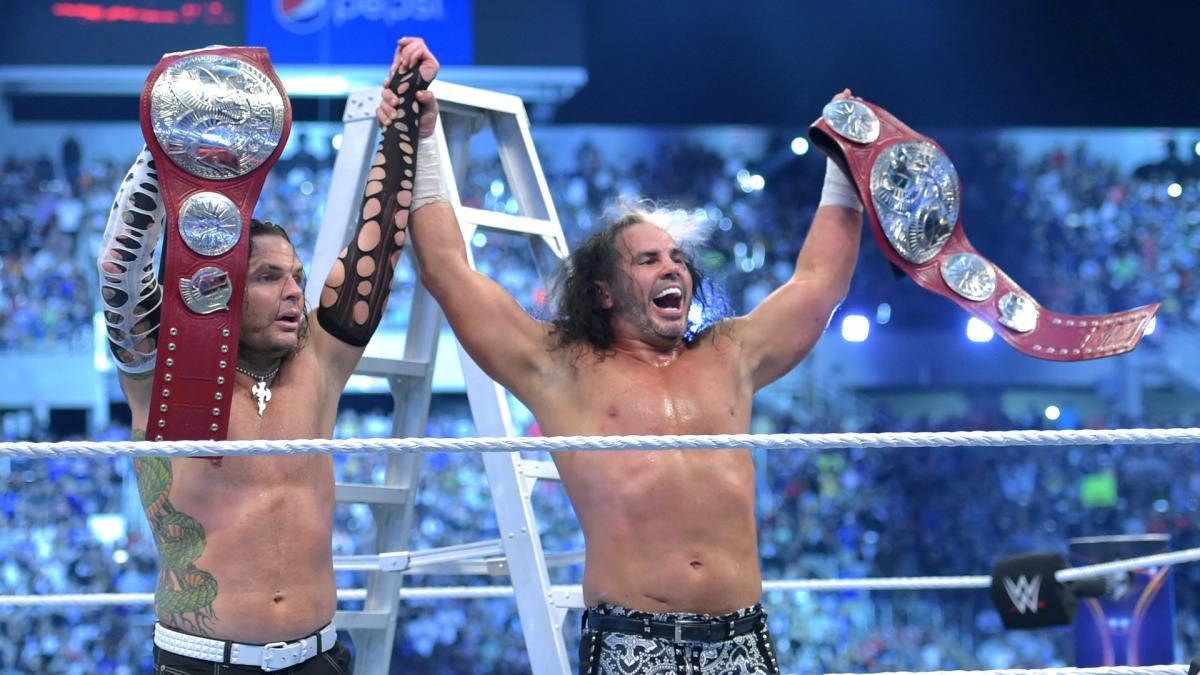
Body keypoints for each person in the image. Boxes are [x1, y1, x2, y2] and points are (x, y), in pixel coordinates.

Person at [383, 38, 865, 674]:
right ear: (604, 291)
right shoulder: (564, 368)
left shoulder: (729, 354)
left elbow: (818, 285)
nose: (672, 268)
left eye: (677, 259)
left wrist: (846, 164)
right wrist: (420, 139)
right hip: (634, 640)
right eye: (648, 259)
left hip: (741, 638)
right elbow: (448, 271)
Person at [96, 46, 428, 673]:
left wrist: (403, 125)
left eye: (296, 275)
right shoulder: (169, 375)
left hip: (318, 655)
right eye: (270, 278)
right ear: (222, 285)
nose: (295, 291)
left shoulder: (317, 364)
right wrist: (170, 148)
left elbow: (376, 253)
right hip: (204, 660)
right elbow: (120, 272)